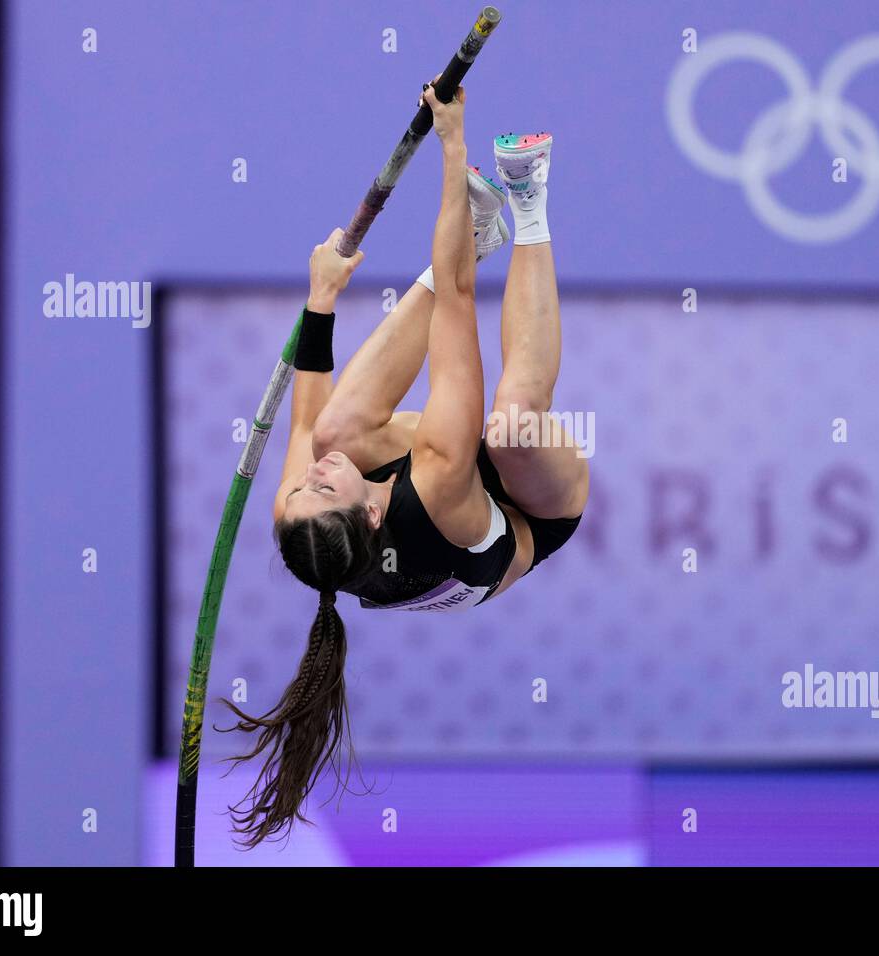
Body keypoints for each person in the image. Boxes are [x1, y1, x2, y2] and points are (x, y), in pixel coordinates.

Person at [220, 81, 588, 847]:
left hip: (418, 526)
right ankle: (523, 203)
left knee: (339, 428)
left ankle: (475, 224)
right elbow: (460, 297)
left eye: (307, 486)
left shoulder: (300, 514)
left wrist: (321, 296)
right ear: (375, 505)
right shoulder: (438, 481)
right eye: (330, 486)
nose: (315, 474)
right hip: (517, 528)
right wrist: (455, 146)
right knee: (514, 422)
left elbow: (310, 415)